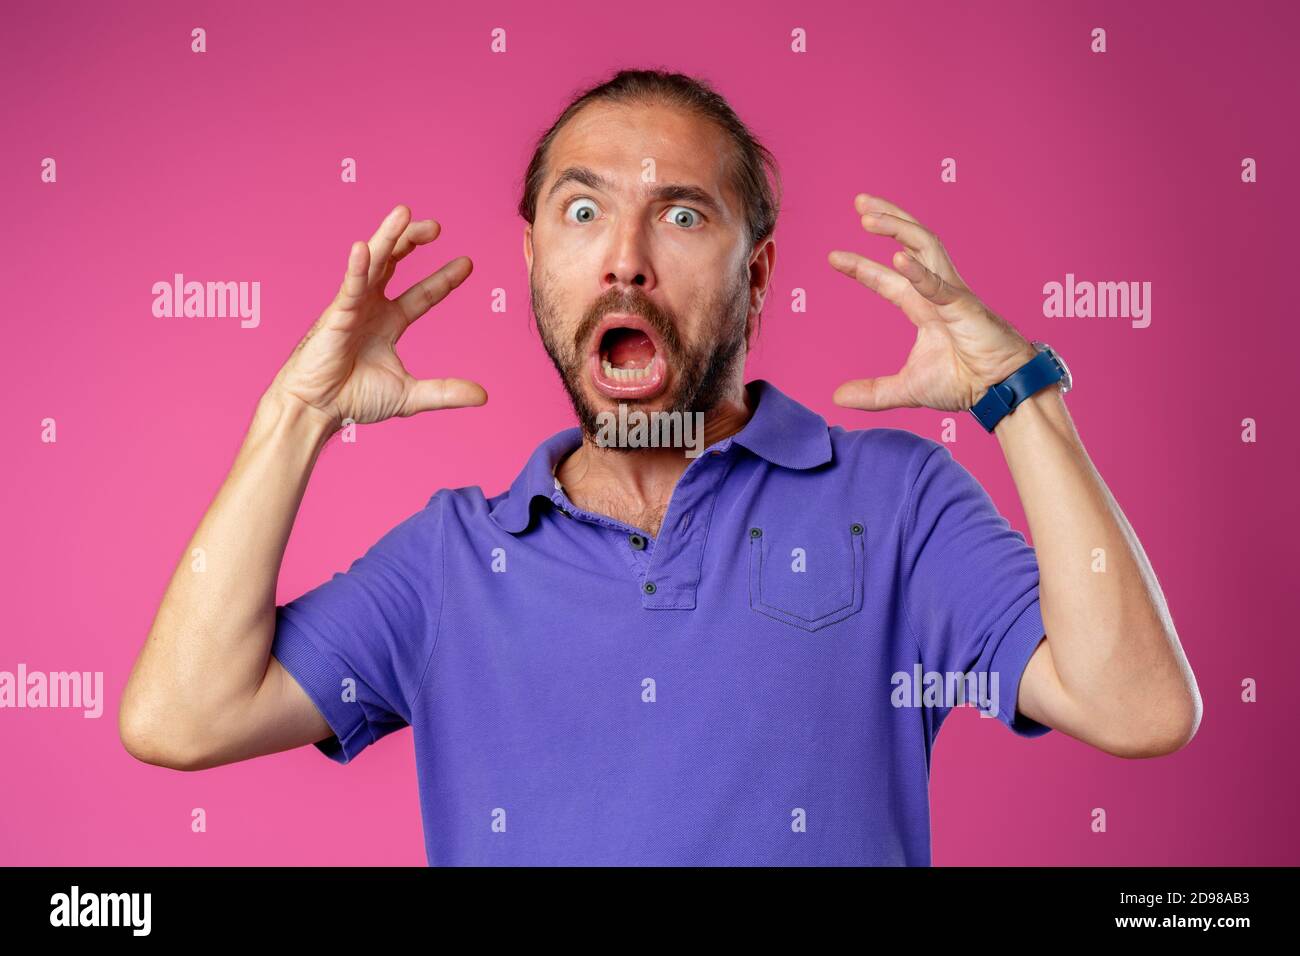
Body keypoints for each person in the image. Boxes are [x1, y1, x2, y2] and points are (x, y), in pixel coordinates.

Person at [120, 68, 1201, 866]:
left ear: (757, 270)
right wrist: (297, 413)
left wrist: (1021, 398)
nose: (625, 255)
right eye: (581, 212)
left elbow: (1137, 706)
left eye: (682, 215)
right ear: (536, 260)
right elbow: (182, 717)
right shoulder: (450, 563)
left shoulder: (900, 502)